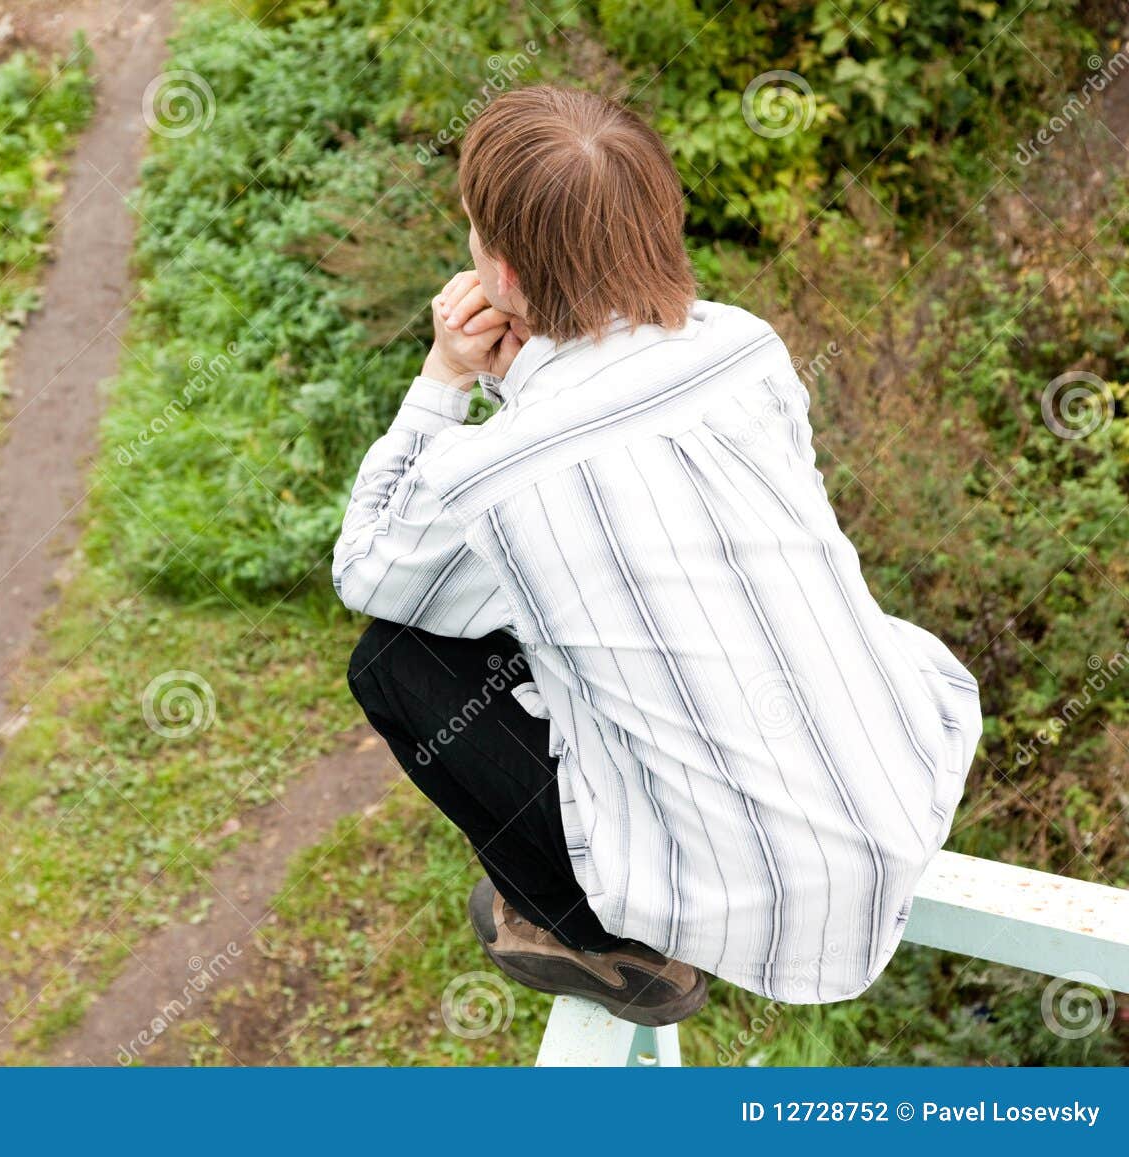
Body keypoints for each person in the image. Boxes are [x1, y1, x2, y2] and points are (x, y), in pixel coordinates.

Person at [332, 86, 981, 1026]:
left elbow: (366, 569)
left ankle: (596, 937)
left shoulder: (492, 477)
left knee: (395, 661)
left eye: (475, 232)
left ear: (503, 275)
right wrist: (527, 389)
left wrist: (445, 380)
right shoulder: (744, 347)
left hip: (745, 895)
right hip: (901, 788)